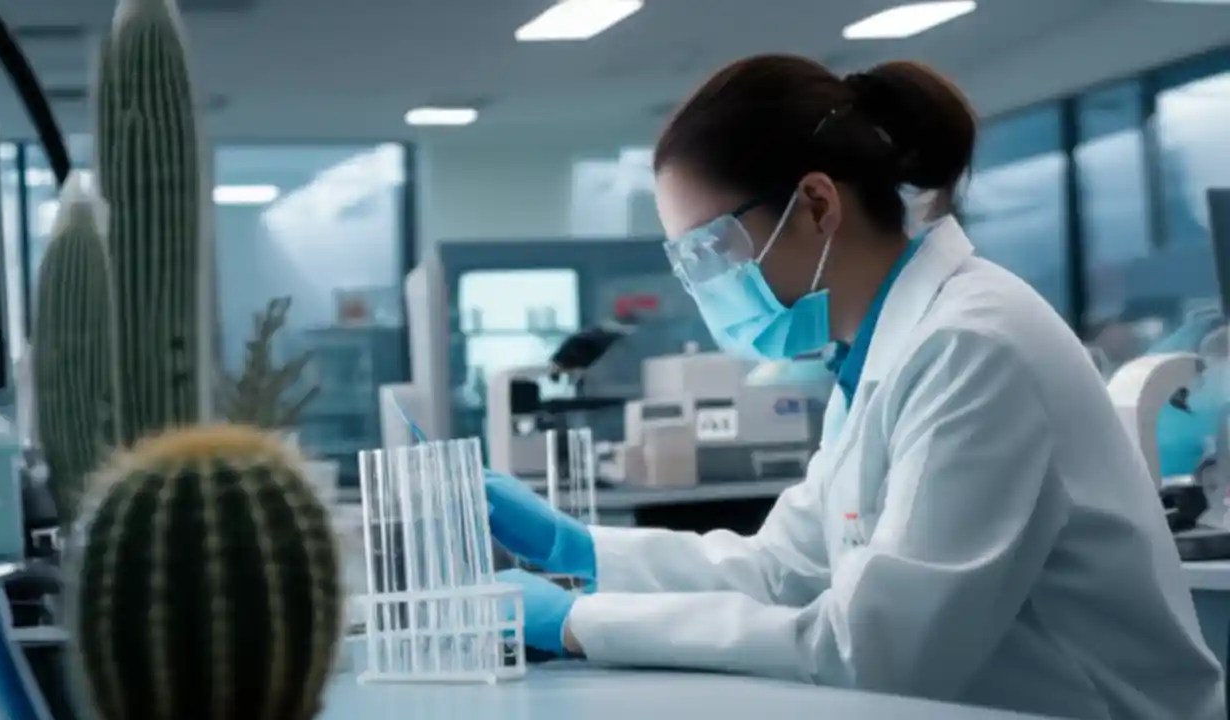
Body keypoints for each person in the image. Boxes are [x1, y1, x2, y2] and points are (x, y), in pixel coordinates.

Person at [487, 54, 1224, 719]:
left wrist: (579, 624)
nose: (705, 283)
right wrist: (583, 551)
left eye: (710, 248)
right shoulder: (881, 353)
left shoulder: (973, 344)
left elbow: (880, 649)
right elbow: (785, 570)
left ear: (815, 205)